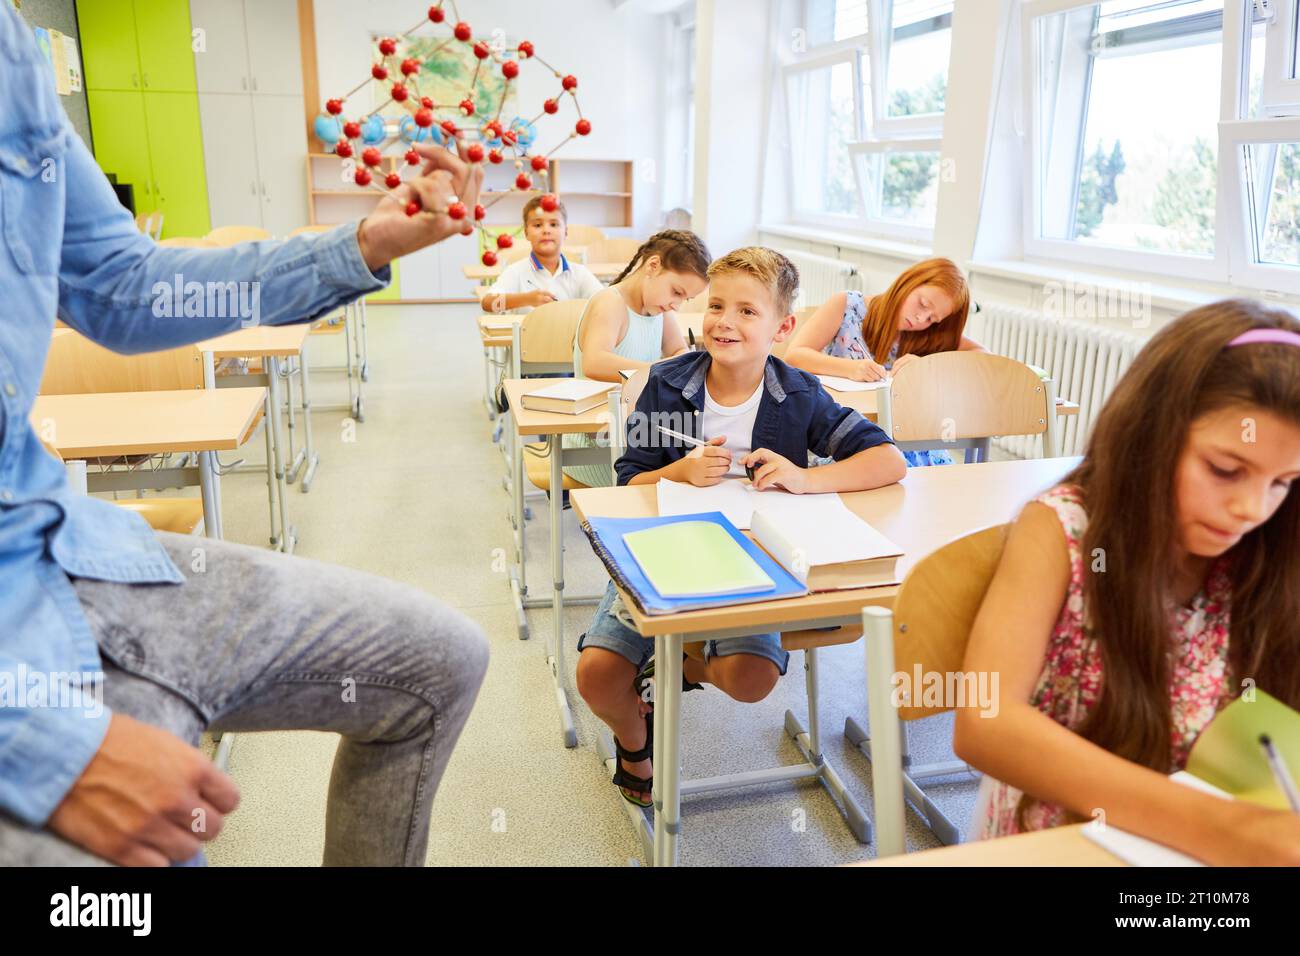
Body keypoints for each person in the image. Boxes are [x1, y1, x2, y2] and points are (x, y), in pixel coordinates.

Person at [0, 2, 488, 867]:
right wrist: (43, 746)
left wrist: (365, 243)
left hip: (57, 551)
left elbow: (123, 282)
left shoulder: (9, 43)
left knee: (439, 664)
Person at [954, 300, 1300, 865]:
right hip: (1060, 841)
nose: (1250, 508)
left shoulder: (1271, 548)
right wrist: (1221, 828)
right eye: (1224, 469)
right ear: (1153, 433)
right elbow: (984, 724)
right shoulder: (1063, 530)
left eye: (1283, 482)